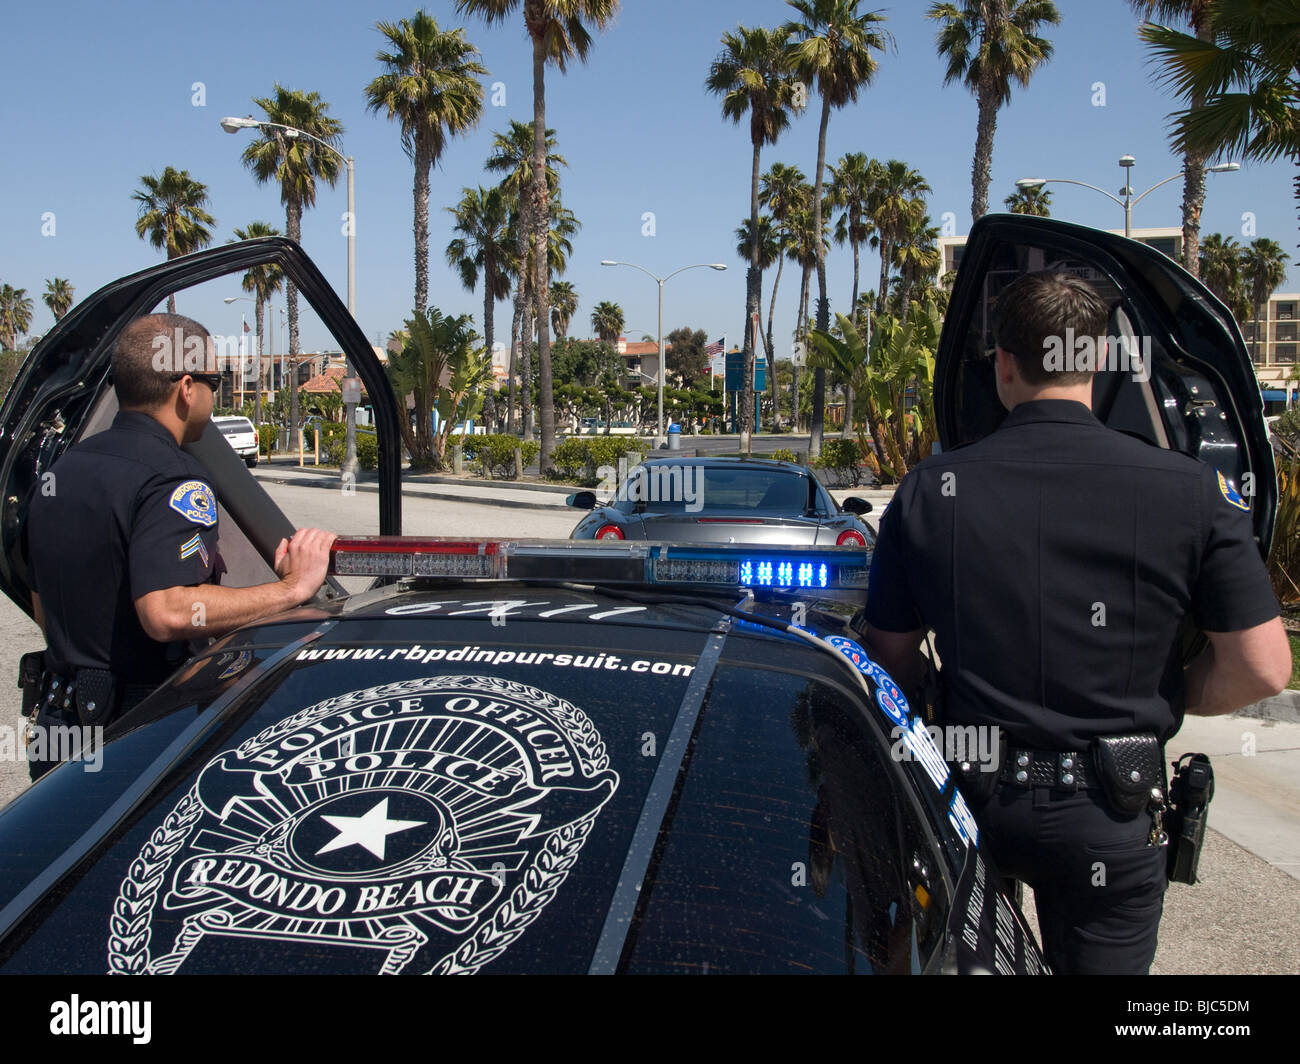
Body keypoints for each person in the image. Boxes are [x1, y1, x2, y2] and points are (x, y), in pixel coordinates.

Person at [861, 271, 1291, 975]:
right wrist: (1172, 694)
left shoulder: (931, 491)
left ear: (1003, 362)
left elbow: (892, 657)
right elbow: (1264, 667)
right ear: (1097, 362)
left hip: (973, 801)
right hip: (1112, 811)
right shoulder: (1191, 491)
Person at [23, 313, 337, 779]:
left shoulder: (61, 471)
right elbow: (167, 610)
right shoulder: (173, 478)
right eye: (216, 381)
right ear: (186, 388)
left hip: (58, 726)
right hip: (134, 734)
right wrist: (292, 589)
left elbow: (41, 600)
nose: (216, 393)